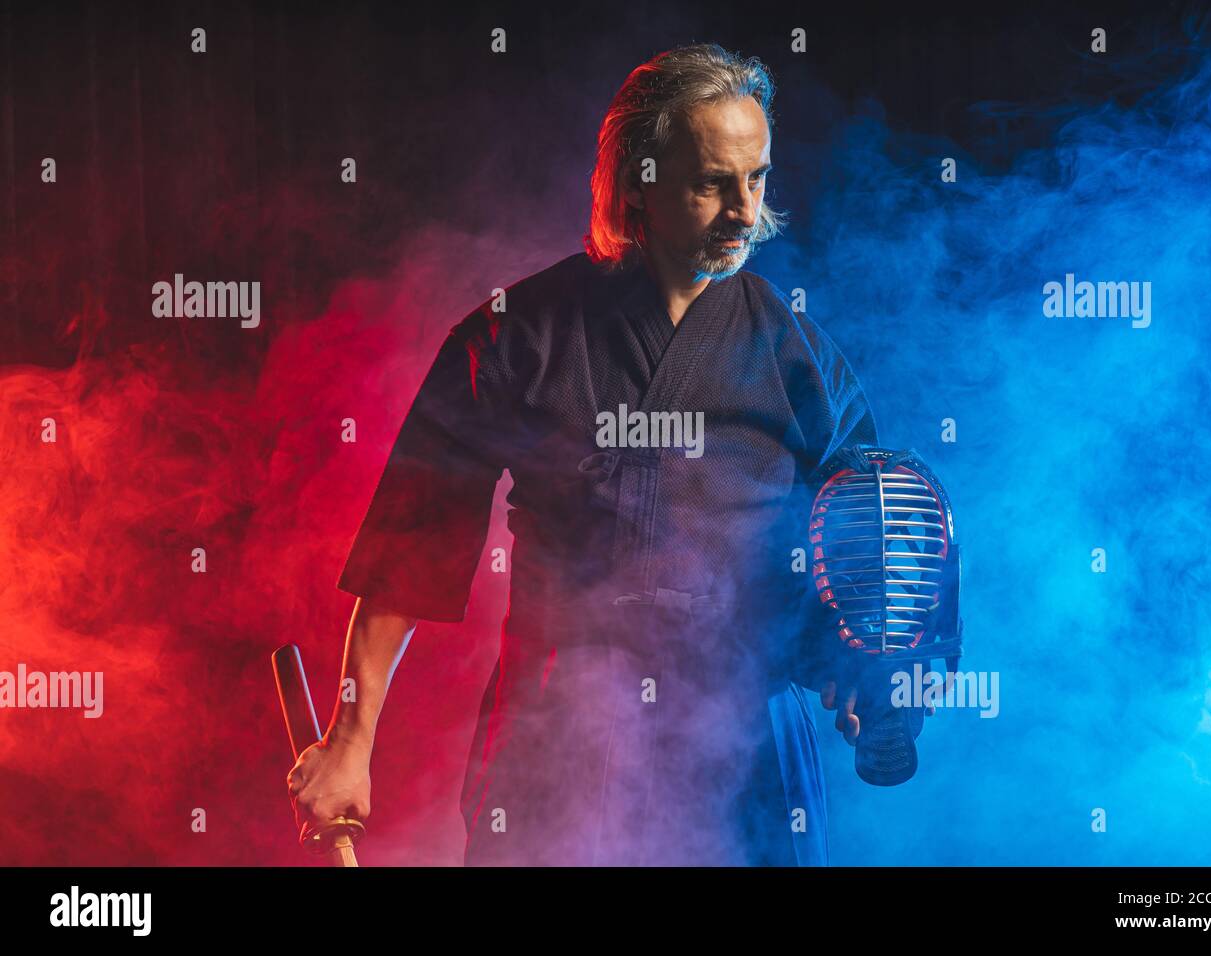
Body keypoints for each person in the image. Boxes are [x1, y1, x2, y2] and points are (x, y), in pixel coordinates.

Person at [286, 42, 884, 866]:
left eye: (758, 178)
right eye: (712, 182)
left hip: (750, 739)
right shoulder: (516, 336)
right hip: (558, 719)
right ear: (638, 180)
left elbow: (869, 539)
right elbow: (408, 550)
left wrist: (865, 658)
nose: (745, 212)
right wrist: (351, 743)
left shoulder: (798, 356)